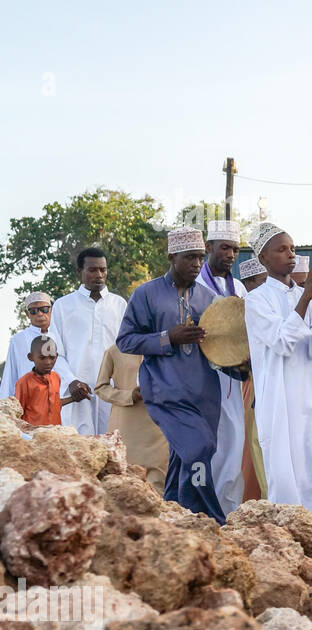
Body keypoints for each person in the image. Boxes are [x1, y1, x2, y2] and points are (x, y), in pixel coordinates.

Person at [115, 227, 235, 521]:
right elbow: (126, 340)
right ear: (172, 257)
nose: (196, 264)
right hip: (165, 391)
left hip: (204, 393)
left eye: (199, 257)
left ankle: (171, 512)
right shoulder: (146, 294)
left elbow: (218, 348)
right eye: (189, 258)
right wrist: (168, 337)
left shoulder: (208, 299)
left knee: (186, 457)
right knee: (198, 449)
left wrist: (240, 364)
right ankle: (209, 517)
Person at [244, 223, 312, 546]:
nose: (291, 255)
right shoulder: (256, 300)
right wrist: (308, 297)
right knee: (287, 470)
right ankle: (290, 544)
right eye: (282, 250)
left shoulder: (310, 295)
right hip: (279, 396)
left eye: (292, 248)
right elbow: (282, 341)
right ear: (263, 258)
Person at [195, 218, 247, 514]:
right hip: (202, 379)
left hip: (233, 379)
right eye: (225, 248)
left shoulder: (238, 287)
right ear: (208, 247)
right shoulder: (195, 284)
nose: (230, 255)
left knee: (233, 444)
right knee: (207, 447)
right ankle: (202, 512)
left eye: (235, 250)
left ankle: (229, 513)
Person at [50, 247, 127, 436]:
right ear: (79, 272)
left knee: (112, 447)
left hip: (111, 390)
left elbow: (126, 350)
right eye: (92, 270)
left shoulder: (119, 304)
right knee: (79, 450)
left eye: (103, 270)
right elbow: (55, 353)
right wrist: (70, 381)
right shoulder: (63, 305)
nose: (99, 275)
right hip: (76, 391)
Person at [95, 342, 167, 494]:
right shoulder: (115, 350)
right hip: (125, 428)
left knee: (157, 489)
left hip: (158, 429)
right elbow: (101, 387)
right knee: (123, 486)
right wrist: (129, 395)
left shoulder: (165, 345)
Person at [236, 256, 268, 500]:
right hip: (250, 384)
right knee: (254, 443)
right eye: (263, 280)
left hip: (266, 381)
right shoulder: (246, 307)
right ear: (249, 281)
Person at [1, 292, 73, 399]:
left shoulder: (61, 336)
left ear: (51, 310)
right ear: (27, 314)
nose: (39, 314)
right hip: (30, 400)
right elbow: (10, 374)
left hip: (61, 399)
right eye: (34, 311)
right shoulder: (18, 339)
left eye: (44, 309)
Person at [16, 334, 89, 426]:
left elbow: (55, 404)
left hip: (54, 433)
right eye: (42, 358)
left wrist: (73, 398)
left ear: (57, 356)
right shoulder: (24, 382)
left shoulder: (55, 377)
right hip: (33, 436)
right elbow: (17, 413)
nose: (48, 362)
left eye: (52, 357)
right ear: (31, 357)